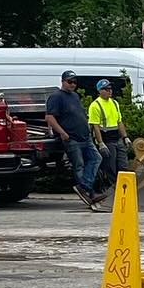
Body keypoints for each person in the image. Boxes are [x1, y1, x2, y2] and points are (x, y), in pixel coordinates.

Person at [45, 69, 101, 208]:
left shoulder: (75, 96)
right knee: (79, 164)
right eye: (70, 81)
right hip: (72, 138)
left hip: (84, 136)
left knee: (96, 158)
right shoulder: (56, 97)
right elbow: (50, 117)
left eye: (75, 82)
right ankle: (89, 192)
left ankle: (85, 186)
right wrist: (62, 133)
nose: (72, 84)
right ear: (63, 81)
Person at [87, 78, 128, 195]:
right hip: (107, 139)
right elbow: (95, 126)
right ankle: (111, 191)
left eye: (110, 88)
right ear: (100, 91)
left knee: (123, 165)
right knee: (110, 167)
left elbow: (119, 122)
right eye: (106, 89)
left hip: (117, 138)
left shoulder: (114, 103)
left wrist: (125, 137)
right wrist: (100, 143)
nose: (109, 91)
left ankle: (123, 190)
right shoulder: (95, 105)